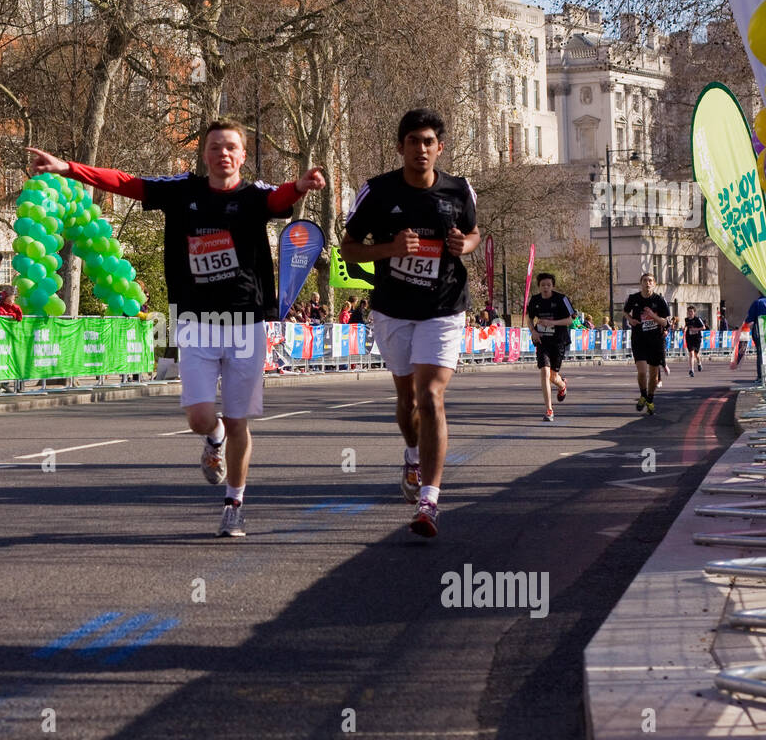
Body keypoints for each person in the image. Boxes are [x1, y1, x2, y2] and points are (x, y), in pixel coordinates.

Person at [27, 119, 325, 538]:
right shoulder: (183, 191)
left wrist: (301, 185)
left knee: (240, 420)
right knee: (201, 418)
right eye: (215, 147)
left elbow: (279, 200)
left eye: (232, 148)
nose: (223, 153)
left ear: (242, 155)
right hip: (196, 323)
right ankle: (214, 437)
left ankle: (234, 503)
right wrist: (66, 168)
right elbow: (127, 183)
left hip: (245, 323)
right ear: (205, 155)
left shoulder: (254, 197)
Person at [338, 108, 481, 537]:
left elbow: (475, 233)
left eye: (429, 142)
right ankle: (413, 453)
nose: (422, 149)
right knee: (408, 401)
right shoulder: (378, 192)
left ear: (440, 148)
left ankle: (430, 501)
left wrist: (465, 244)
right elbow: (348, 249)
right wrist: (390, 248)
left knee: (431, 395)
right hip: (393, 308)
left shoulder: (459, 191)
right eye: (414, 141)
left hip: (444, 307)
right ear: (401, 147)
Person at [525, 272, 574, 422]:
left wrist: (552, 323)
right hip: (542, 341)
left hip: (558, 341)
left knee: (553, 376)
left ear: (552, 286)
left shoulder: (561, 299)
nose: (545, 288)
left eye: (548, 285)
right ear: (539, 287)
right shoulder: (535, 300)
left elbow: (571, 320)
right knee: (545, 373)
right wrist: (533, 331)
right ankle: (549, 409)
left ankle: (562, 385)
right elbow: (529, 318)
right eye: (542, 285)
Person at [623, 272, 670, 415]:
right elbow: (625, 312)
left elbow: (665, 322)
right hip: (639, 339)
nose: (647, 283)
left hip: (655, 340)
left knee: (654, 375)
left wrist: (653, 316)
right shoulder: (633, 298)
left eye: (650, 281)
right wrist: (630, 319)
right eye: (645, 280)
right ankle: (643, 395)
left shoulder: (660, 300)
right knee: (642, 372)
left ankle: (650, 398)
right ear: (641, 283)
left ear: (654, 284)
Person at [743, 294, 766, 384]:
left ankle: (761, 377)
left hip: (759, 331)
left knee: (761, 354)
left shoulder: (757, 303)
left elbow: (749, 320)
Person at [684, 305, 705, 376]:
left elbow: (703, 327)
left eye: (691, 312)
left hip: (697, 338)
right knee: (691, 354)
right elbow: (686, 326)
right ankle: (691, 370)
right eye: (689, 311)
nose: (690, 313)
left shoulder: (697, 319)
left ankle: (699, 363)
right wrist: (684, 329)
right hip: (689, 338)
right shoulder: (686, 319)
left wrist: (695, 329)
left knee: (696, 354)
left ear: (694, 312)